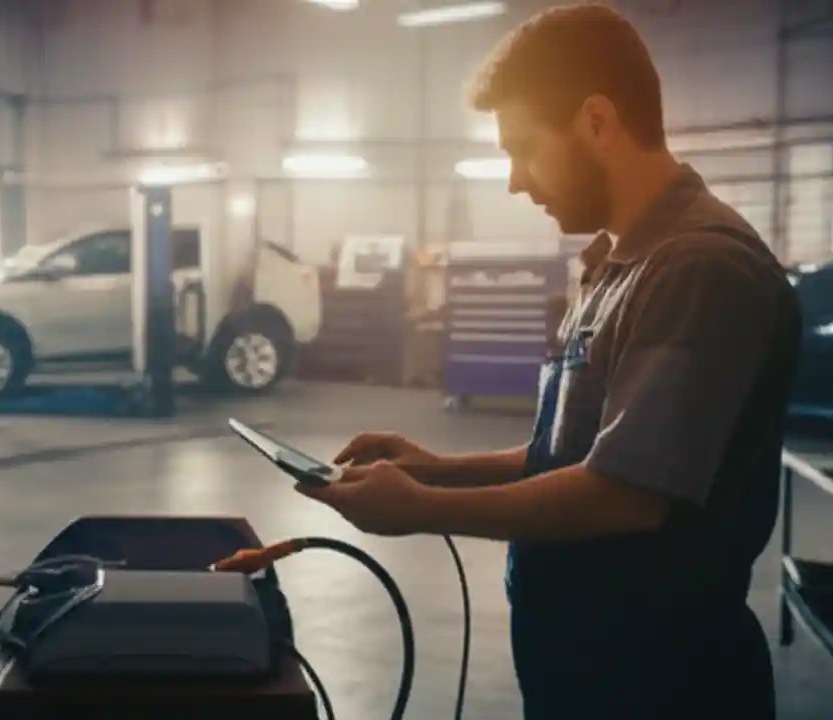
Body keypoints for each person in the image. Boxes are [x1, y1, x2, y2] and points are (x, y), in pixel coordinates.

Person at [297, 4, 802, 719]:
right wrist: (430, 464)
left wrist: (425, 509)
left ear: (596, 121)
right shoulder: (619, 262)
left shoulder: (699, 270)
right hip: (589, 663)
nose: (512, 180)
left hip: (661, 680)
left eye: (523, 148)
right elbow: (579, 452)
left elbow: (624, 492)